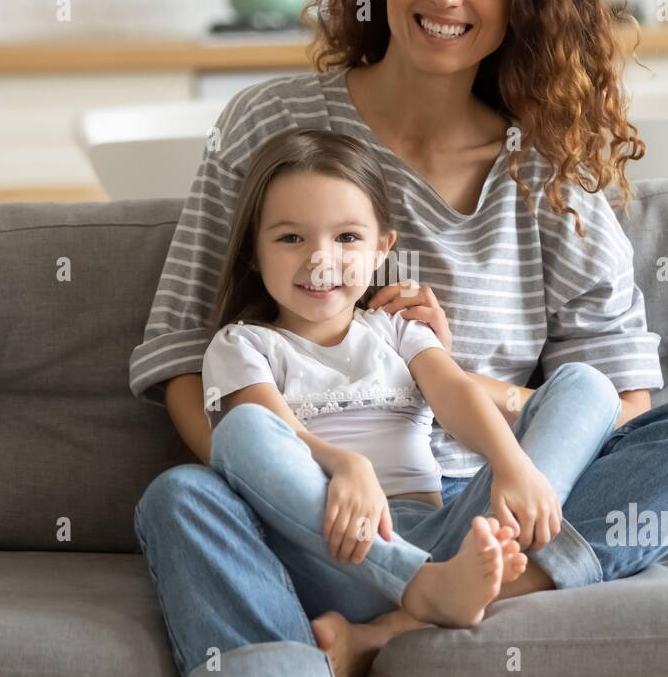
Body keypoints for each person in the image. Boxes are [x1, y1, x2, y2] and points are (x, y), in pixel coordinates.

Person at [131, 0, 668, 677]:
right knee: (181, 496)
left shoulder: (549, 163)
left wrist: (453, 384)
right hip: (311, 514)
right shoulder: (270, 122)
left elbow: (618, 394)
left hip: (488, 519)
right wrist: (302, 483)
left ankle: (394, 629)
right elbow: (181, 362)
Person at [199, 126, 626, 630]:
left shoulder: (399, 329)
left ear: (382, 249)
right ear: (254, 251)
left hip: (440, 538)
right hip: (334, 554)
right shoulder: (242, 345)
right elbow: (269, 433)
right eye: (291, 238)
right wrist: (346, 464)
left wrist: (514, 464)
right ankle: (425, 589)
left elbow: (455, 392)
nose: (320, 259)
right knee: (240, 427)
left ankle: (465, 572)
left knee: (587, 385)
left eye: (347, 238)